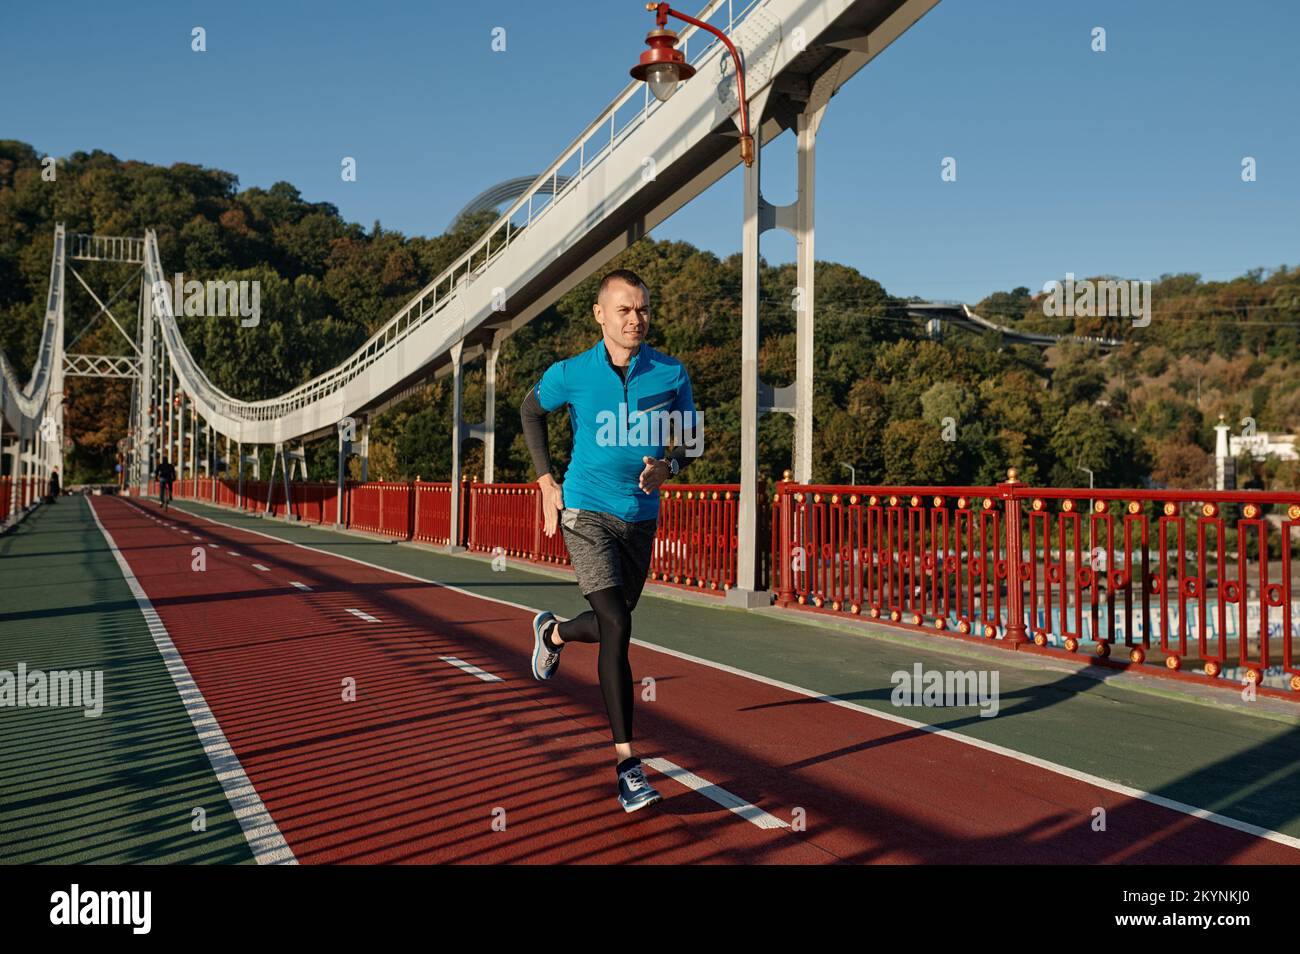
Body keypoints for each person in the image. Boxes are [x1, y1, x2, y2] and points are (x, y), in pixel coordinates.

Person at [520, 268, 699, 813]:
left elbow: (689, 441)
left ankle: (552, 633)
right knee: (619, 627)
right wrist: (547, 479)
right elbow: (531, 410)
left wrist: (667, 465)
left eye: (642, 309)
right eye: (624, 309)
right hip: (586, 511)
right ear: (600, 315)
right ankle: (627, 765)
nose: (635, 318)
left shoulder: (670, 372)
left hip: (640, 517)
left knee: (606, 622)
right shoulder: (572, 373)